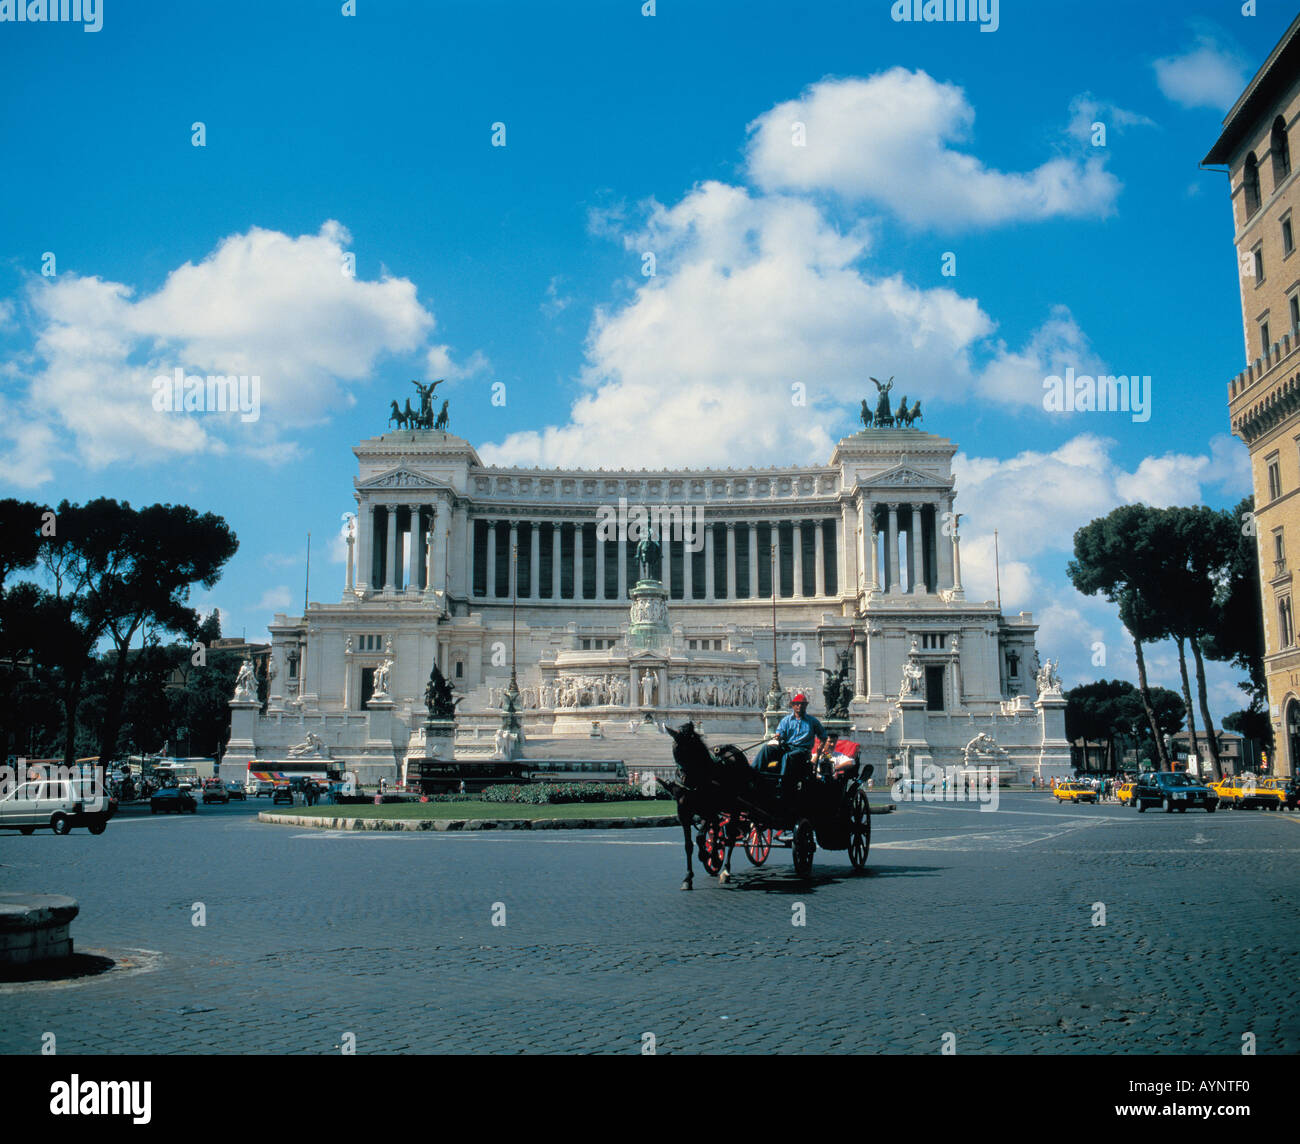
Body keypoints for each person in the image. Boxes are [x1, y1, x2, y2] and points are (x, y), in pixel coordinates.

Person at [751, 694, 827, 803]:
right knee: (766, 749)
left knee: (788, 756)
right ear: (793, 706)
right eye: (797, 704)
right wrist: (778, 736)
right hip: (787, 747)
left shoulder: (812, 721)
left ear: (805, 706)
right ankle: (754, 772)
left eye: (802, 704)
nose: (799, 706)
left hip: (802, 750)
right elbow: (780, 733)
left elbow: (823, 736)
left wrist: (819, 751)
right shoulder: (786, 720)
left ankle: (781, 783)